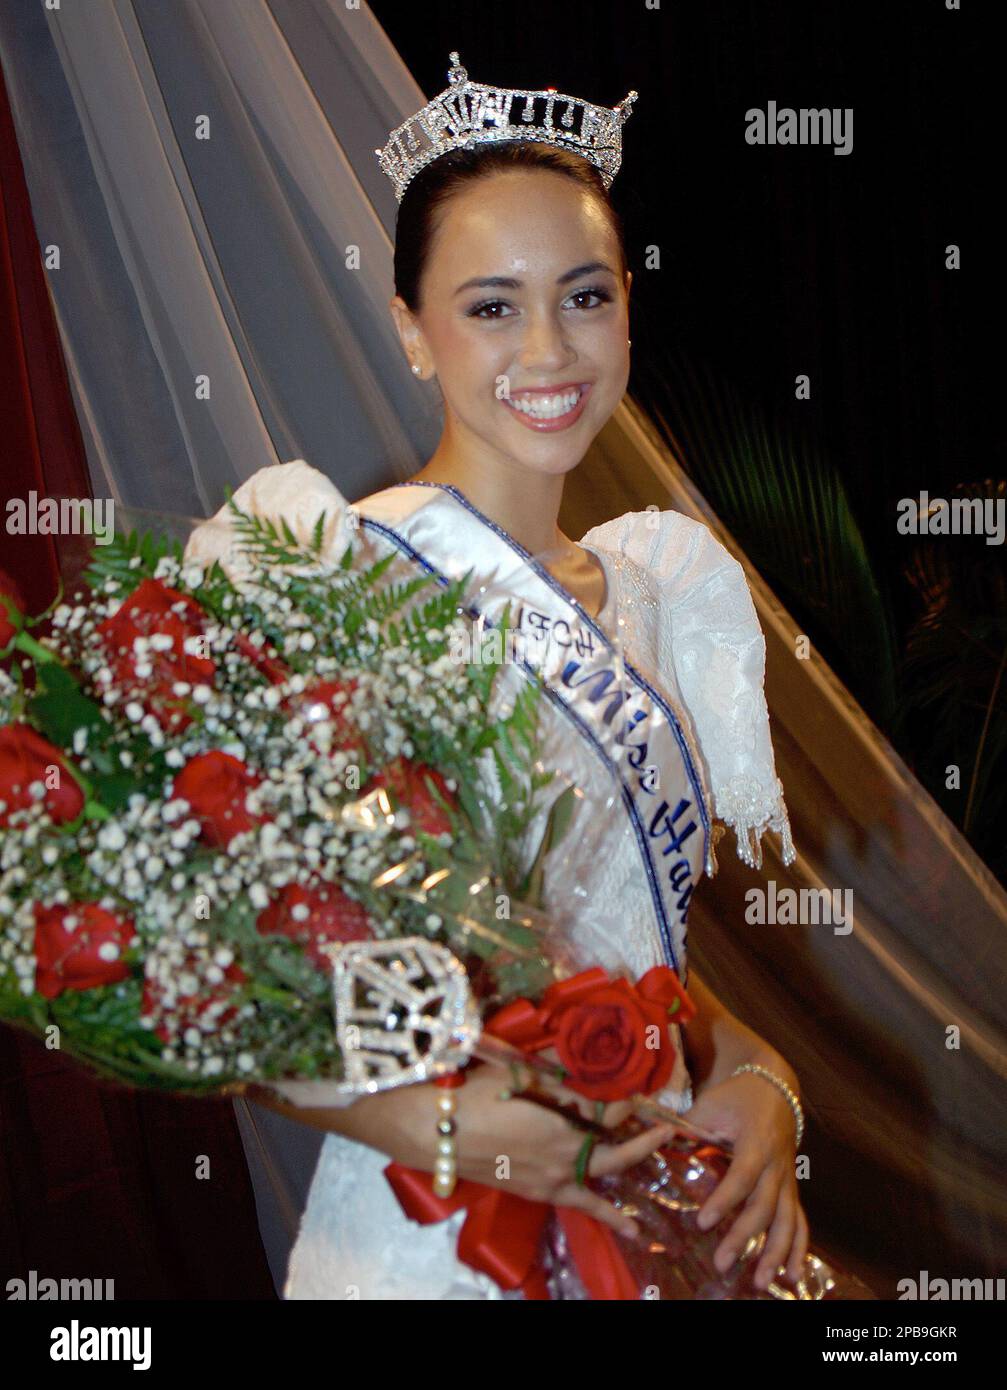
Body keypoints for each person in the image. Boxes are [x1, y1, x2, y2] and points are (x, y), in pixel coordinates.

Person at [186, 54, 805, 1300]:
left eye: (582, 296)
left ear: (628, 308)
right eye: (488, 305)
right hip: (439, 1234)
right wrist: (460, 1131)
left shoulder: (658, 591)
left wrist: (759, 1078)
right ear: (411, 330)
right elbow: (210, 987)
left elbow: (633, 955)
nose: (546, 347)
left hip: (652, 1207)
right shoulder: (334, 573)